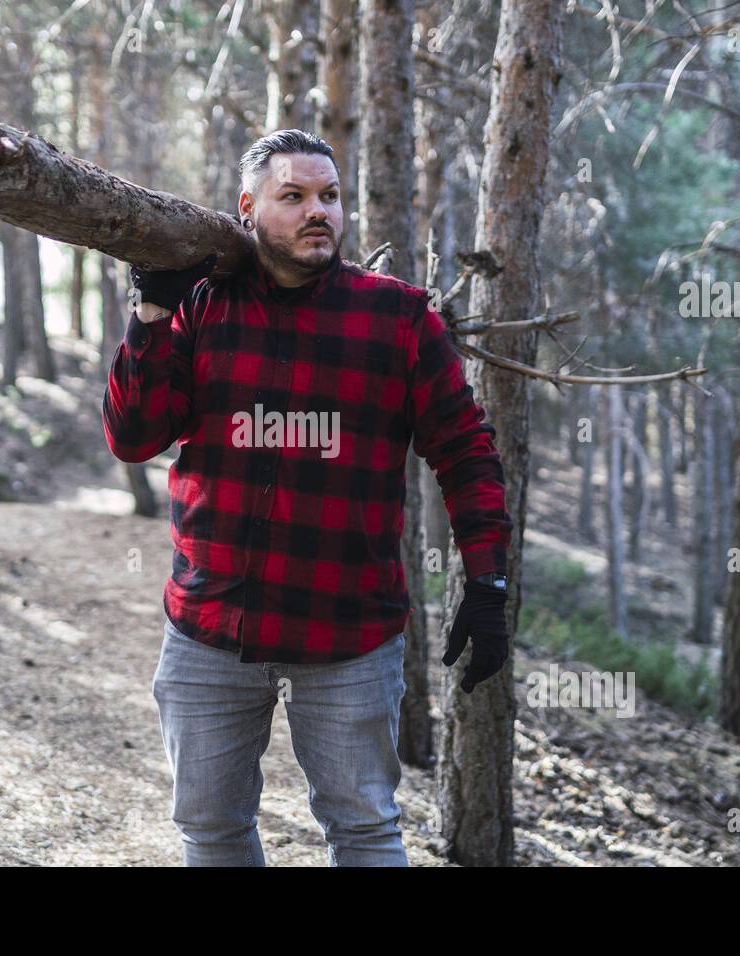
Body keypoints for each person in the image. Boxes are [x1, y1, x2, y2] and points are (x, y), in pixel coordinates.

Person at [102, 129, 513, 866]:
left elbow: (466, 451)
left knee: (364, 828)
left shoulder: (397, 318)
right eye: (293, 197)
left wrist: (486, 580)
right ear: (248, 209)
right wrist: (152, 317)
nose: (317, 211)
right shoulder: (199, 309)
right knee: (210, 826)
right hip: (209, 625)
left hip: (348, 633)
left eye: (329, 196)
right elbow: (134, 437)